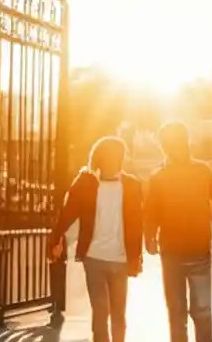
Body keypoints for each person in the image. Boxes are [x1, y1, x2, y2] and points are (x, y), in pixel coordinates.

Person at [144, 122, 212, 342]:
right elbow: (151, 212)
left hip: (197, 251)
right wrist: (149, 236)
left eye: (177, 143)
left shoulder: (201, 172)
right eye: (169, 145)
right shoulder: (160, 177)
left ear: (186, 142)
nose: (174, 148)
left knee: (198, 310)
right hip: (173, 253)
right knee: (179, 311)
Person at [48, 137, 143, 342]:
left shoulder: (132, 185)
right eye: (110, 157)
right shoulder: (86, 183)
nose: (115, 161)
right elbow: (67, 212)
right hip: (94, 258)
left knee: (118, 314)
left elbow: (137, 224)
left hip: (120, 259)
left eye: (118, 157)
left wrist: (136, 257)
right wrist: (56, 239)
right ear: (100, 159)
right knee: (100, 311)